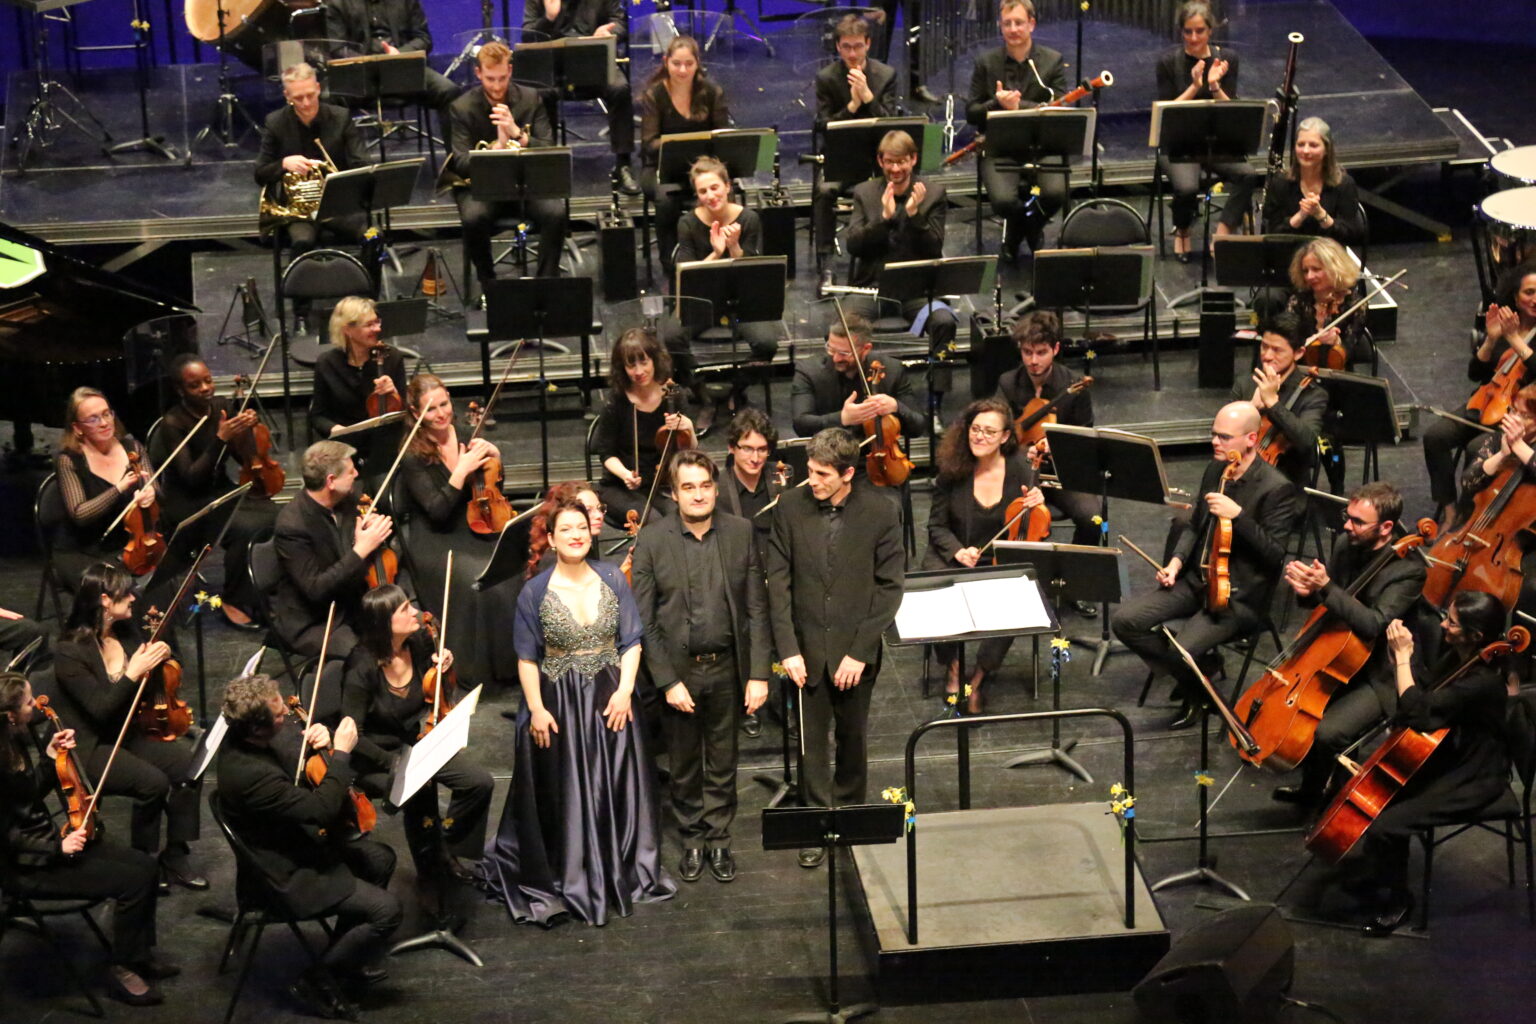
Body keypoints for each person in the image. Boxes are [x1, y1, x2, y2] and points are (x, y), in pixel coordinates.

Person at [481, 497, 676, 925]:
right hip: (561, 703)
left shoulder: (611, 578)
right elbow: (528, 658)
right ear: (551, 539)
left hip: (611, 698)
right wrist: (535, 709)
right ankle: (574, 871)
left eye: (582, 527)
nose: (576, 535)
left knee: (618, 785)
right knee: (569, 789)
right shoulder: (535, 590)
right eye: (566, 529)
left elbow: (631, 642)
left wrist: (626, 691)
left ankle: (618, 866)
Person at [216, 674, 401, 1018]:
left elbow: (287, 761)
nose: (286, 716)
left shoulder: (246, 738)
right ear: (256, 729)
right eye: (279, 716)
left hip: (288, 842)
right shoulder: (249, 774)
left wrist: (316, 741)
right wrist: (342, 754)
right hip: (283, 875)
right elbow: (320, 811)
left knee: (381, 858)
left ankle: (344, 962)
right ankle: (317, 979)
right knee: (387, 912)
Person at [765, 429, 905, 867]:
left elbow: (889, 587)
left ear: (848, 473)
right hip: (805, 650)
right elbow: (779, 584)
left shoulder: (882, 511)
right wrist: (788, 649)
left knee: (852, 738)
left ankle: (846, 817)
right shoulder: (789, 507)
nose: (813, 481)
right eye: (810, 471)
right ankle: (816, 822)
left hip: (854, 651)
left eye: (823, 474)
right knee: (811, 745)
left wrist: (860, 652)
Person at [1111, 402, 1297, 728]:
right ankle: (1198, 673)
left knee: (1181, 650)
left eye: (1224, 437)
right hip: (1197, 580)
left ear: (1251, 439)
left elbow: (1275, 555)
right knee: (1126, 621)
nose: (1215, 442)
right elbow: (1196, 524)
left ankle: (1197, 689)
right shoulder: (1216, 469)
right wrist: (1175, 562)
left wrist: (1237, 516)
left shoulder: (1276, 488)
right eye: (1214, 435)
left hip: (1236, 597)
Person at [630, 450, 770, 884]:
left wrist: (760, 673)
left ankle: (719, 839)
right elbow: (643, 618)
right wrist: (667, 680)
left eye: (705, 485)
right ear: (674, 493)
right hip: (679, 673)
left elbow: (757, 610)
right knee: (686, 763)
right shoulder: (652, 540)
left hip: (729, 667)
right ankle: (692, 838)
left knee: (724, 760)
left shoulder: (740, 532)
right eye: (688, 487)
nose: (698, 494)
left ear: (715, 487)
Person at [0, 672, 174, 1007]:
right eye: (27, 702)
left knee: (145, 866)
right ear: (9, 715)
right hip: (27, 865)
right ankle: (122, 969)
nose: (35, 705)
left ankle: (138, 955)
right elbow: (5, 836)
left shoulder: (16, 737)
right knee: (133, 881)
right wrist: (56, 847)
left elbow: (31, 795)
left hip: (47, 845)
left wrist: (51, 759)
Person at [1350, 591, 1511, 935]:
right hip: (1452, 755)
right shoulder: (1462, 656)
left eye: (1451, 622)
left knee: (1387, 824)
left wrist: (1404, 657)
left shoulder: (1482, 680)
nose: (1443, 625)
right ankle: (1379, 873)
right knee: (1380, 798)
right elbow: (1427, 693)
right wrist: (1399, 665)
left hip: (1474, 775)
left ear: (1476, 636)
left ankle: (1398, 901)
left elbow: (1417, 713)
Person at [1272, 482, 1427, 807]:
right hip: (1338, 655)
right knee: (1302, 715)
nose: (1346, 525)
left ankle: (1337, 799)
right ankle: (1313, 791)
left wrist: (1325, 587)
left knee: (1329, 732)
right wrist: (1310, 593)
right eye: (1348, 515)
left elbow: (1374, 624)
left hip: (1380, 671)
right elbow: (1334, 599)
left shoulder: (1408, 570)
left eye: (1358, 521)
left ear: (1386, 527)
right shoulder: (1346, 544)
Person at [52, 563, 204, 890]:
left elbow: (143, 692)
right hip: (91, 745)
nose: (134, 598)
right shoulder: (69, 651)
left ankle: (175, 854)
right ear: (105, 601)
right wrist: (133, 672)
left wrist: (160, 659)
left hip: (127, 733)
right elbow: (101, 710)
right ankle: (143, 860)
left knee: (190, 766)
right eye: (126, 593)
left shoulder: (126, 631)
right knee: (153, 783)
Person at [341, 585, 493, 881]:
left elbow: (434, 689)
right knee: (420, 791)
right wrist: (393, 763)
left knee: (479, 783)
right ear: (384, 623)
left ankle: (446, 846)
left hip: (417, 741)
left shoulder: (419, 643)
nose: (415, 612)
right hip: (377, 756)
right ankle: (431, 872)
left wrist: (443, 666)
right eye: (403, 610)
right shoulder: (360, 668)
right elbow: (353, 734)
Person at [924, 399, 1044, 712]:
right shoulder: (952, 468)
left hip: (999, 558)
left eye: (990, 432)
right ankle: (953, 668)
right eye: (975, 429)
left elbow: (1032, 526)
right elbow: (936, 526)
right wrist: (958, 551)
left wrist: (1037, 501)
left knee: (1017, 600)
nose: (980, 437)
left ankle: (977, 678)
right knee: (936, 592)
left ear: (1005, 437)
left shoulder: (1021, 468)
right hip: (954, 551)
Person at [155, 354, 279, 630]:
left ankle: (257, 587)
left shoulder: (220, 407)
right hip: (187, 501)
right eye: (195, 385)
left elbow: (242, 457)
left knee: (274, 514)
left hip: (221, 490)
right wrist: (219, 438)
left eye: (208, 381)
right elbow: (191, 478)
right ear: (180, 390)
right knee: (244, 528)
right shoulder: (173, 423)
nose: (206, 389)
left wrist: (245, 430)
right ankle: (233, 599)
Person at [399, 373, 503, 684]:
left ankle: (509, 662)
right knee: (476, 579)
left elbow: (492, 484)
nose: (442, 413)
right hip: (436, 537)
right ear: (417, 414)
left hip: (474, 519)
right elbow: (437, 512)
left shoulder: (468, 434)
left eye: (444, 404)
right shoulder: (412, 454)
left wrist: (496, 457)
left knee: (511, 568)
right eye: (431, 409)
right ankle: (477, 669)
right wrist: (459, 471)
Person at [993, 310, 1103, 599]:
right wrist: (1018, 449)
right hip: (1018, 470)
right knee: (996, 510)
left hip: (1062, 472)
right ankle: (1011, 581)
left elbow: (1085, 438)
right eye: (1027, 352)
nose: (1033, 360)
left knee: (1093, 517)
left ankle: (1074, 585)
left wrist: (1059, 446)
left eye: (1041, 352)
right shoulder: (1007, 383)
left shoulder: (1074, 387)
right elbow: (995, 431)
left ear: (1055, 349)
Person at [670, 155, 781, 429]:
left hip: (742, 302)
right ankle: (703, 396)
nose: (710, 195)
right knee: (670, 337)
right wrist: (716, 251)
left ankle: (736, 390)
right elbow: (685, 273)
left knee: (767, 344)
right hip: (703, 302)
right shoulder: (687, 223)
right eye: (703, 191)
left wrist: (734, 248)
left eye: (715, 188)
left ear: (728, 186)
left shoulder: (749, 219)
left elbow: (755, 270)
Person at [447, 41, 568, 291]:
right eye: (490, 78)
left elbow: (548, 149)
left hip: (527, 182)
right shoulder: (461, 108)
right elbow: (459, 163)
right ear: (478, 73)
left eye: (502, 78)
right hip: (481, 187)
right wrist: (497, 149)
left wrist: (517, 134)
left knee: (556, 213)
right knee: (473, 218)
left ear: (510, 71)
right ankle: (489, 286)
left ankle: (546, 286)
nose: (497, 86)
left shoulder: (531, 99)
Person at [1421, 259, 1536, 520]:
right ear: (1516, 298)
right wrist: (1492, 339)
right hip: (1487, 400)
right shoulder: (1506, 324)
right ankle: (1449, 511)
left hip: (1521, 413)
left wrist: (1515, 339)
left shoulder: (1516, 332)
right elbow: (1476, 374)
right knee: (1435, 436)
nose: (1535, 299)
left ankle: (1470, 516)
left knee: (1476, 448)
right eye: (1529, 292)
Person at [272, 440, 394, 661]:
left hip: (351, 603)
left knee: (405, 631)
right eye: (350, 471)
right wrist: (360, 549)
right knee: (365, 656)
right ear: (331, 481)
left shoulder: (349, 499)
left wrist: (372, 528)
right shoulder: (292, 525)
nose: (356, 473)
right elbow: (316, 589)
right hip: (315, 621)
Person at [965, 0, 1067, 259]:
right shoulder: (986, 63)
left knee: (1055, 194)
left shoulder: (1052, 62)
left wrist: (1018, 105)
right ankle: (1029, 229)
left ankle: (1020, 230)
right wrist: (996, 103)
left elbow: (1060, 107)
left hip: (1043, 144)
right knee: (1002, 202)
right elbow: (971, 113)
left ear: (1031, 24)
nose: (1013, 29)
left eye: (1019, 22)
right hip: (999, 147)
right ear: (1000, 26)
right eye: (1007, 23)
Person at [845, 130, 957, 360]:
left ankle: (936, 391)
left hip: (916, 291)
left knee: (944, 322)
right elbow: (853, 245)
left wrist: (915, 216)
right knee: (841, 329)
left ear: (913, 159)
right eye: (889, 162)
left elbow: (935, 249)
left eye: (902, 162)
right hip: (872, 289)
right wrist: (883, 220)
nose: (895, 169)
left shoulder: (934, 194)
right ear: (880, 161)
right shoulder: (864, 193)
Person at [1154, 1, 1253, 262]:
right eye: (1188, 31)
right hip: (1177, 144)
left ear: (1210, 31)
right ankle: (1183, 230)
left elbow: (1230, 110)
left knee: (1247, 175)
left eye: (1199, 31)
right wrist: (1194, 85)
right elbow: (1165, 113)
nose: (1193, 38)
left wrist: (1212, 85)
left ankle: (1223, 231)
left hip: (1215, 142)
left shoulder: (1227, 59)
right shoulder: (1168, 62)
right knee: (1187, 188)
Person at [253, 63, 371, 262]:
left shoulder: (340, 117)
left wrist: (341, 183)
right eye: (298, 98)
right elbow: (260, 173)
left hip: (338, 206)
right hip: (299, 212)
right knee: (302, 243)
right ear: (287, 96)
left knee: (372, 237)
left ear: (318, 88)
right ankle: (298, 291)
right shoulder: (275, 123)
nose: (306, 103)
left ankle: (369, 291)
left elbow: (362, 164)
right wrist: (283, 163)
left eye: (310, 94)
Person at [640, 36, 732, 284]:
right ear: (666, 62)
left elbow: (723, 139)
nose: (682, 70)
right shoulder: (654, 95)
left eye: (688, 64)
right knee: (666, 201)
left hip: (703, 170)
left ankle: (717, 259)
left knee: (719, 193)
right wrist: (677, 145)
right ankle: (672, 267)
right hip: (661, 169)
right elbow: (648, 144)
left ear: (697, 64)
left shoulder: (712, 92)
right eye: (677, 63)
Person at [522, 0, 638, 194]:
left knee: (620, 88)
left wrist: (608, 33)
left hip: (595, 59)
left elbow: (620, 23)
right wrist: (549, 18)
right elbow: (528, 35)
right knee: (541, 93)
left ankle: (623, 164)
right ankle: (546, 164)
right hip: (555, 64)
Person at [812, 14, 898, 271]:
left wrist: (869, 97)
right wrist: (852, 105)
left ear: (868, 44)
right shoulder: (827, 78)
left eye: (858, 46)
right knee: (825, 191)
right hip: (841, 157)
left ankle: (889, 251)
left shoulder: (885, 75)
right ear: (838, 46)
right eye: (846, 46)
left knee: (901, 182)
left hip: (879, 159)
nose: (852, 53)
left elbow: (892, 125)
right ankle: (825, 260)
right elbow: (824, 128)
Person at [52, 387, 160, 586]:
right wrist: (119, 489)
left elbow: (157, 490)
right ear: (77, 428)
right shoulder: (69, 459)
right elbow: (80, 515)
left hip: (126, 544)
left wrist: (151, 493)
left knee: (167, 574)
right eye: (93, 419)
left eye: (106, 414)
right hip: (83, 549)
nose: (104, 423)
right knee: (117, 589)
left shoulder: (132, 448)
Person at [593, 328, 695, 527]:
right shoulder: (617, 401)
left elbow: (690, 449)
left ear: (655, 360)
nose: (639, 371)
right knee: (655, 522)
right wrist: (625, 474)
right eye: (631, 365)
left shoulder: (673, 394)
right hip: (620, 487)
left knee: (681, 516)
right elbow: (606, 453)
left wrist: (688, 426)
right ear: (622, 367)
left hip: (661, 484)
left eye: (644, 362)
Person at [791, 311, 925, 462]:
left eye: (843, 353)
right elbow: (801, 424)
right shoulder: (808, 370)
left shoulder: (892, 370)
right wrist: (842, 418)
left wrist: (896, 406)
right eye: (831, 348)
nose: (835, 357)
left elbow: (918, 426)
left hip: (876, 460)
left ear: (866, 348)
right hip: (828, 460)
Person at [308, 296, 408, 478]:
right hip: (345, 445)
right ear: (348, 330)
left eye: (377, 322)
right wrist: (336, 430)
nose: (378, 329)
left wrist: (395, 394)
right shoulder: (327, 363)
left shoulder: (391, 358)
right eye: (369, 325)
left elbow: (408, 412)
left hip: (385, 443)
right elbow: (317, 415)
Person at [324, 0, 459, 123]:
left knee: (448, 90)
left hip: (403, 70)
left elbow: (424, 39)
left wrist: (400, 54)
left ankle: (454, 150)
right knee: (325, 99)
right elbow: (338, 48)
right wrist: (367, 61)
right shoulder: (338, 3)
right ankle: (348, 149)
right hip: (360, 75)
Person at [1239, 311, 1329, 492]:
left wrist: (1273, 404)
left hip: (1286, 486)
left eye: (1277, 350)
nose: (1267, 356)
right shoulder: (1246, 383)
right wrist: (1251, 407)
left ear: (1298, 353)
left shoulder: (1313, 395)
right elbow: (1221, 431)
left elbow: (1307, 443)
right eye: (1264, 347)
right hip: (1238, 473)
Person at [1260, 117, 1366, 248]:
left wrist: (1320, 215)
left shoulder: (1344, 184)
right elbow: (1272, 235)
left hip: (1329, 257)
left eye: (1313, 145)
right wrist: (1300, 215)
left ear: (1327, 149)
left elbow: (1352, 236)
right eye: (1301, 144)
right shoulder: (1280, 183)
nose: (1305, 151)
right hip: (1289, 256)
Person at [1284, 237, 1371, 370]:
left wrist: (1337, 342)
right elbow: (1286, 341)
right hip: (1300, 370)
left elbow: (1349, 349)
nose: (1309, 276)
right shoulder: (1299, 300)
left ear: (1334, 268)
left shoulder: (1355, 305)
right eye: (1305, 271)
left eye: (1316, 269)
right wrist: (1306, 342)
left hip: (1338, 373)